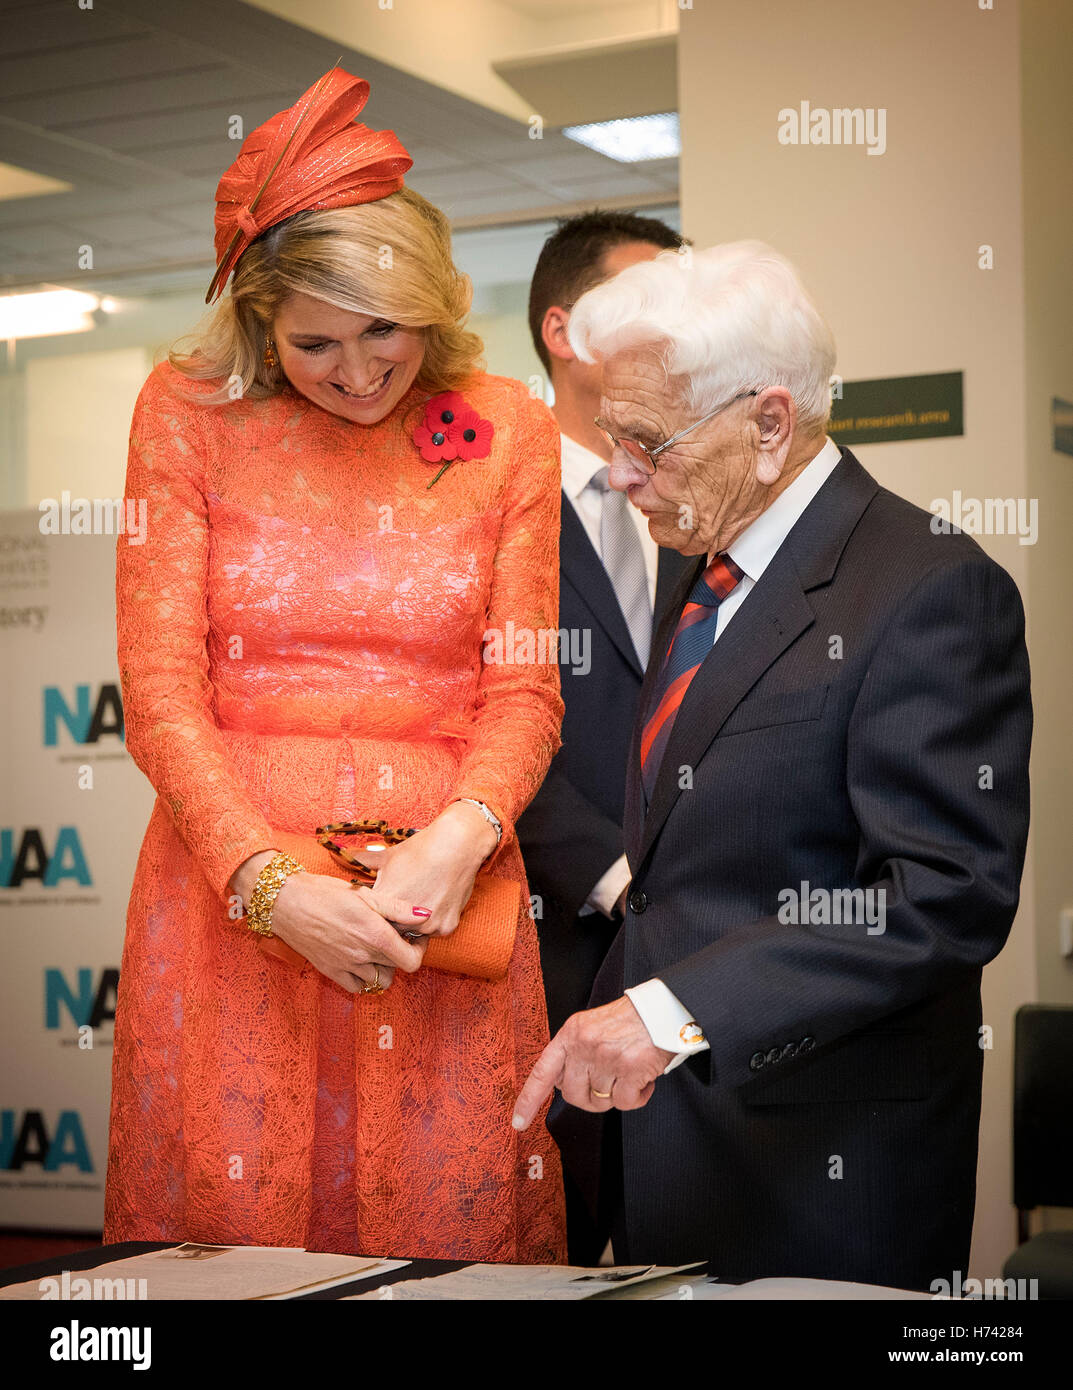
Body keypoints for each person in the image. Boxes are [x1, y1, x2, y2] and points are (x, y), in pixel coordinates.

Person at [103, 67, 566, 1263]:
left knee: (440, 1225)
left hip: (436, 898)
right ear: (257, 321)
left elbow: (521, 686)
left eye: (384, 333)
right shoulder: (185, 413)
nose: (358, 371)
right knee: (240, 1228)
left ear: (434, 308)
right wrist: (267, 888)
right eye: (314, 342)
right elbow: (159, 692)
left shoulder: (511, 429)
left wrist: (459, 839)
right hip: (233, 891)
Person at [513, 241, 1032, 1290]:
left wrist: (668, 1012)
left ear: (766, 425)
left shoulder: (924, 590)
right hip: (668, 1162)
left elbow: (940, 898)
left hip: (821, 1179)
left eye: (646, 443)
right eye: (613, 438)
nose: (618, 474)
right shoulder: (697, 570)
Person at [516, 211, 689, 1261]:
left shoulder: (697, 487)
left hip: (695, 958)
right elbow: (484, 722)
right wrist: (620, 872)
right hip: (551, 940)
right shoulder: (487, 489)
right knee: (561, 1247)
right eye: (645, 311)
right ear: (559, 329)